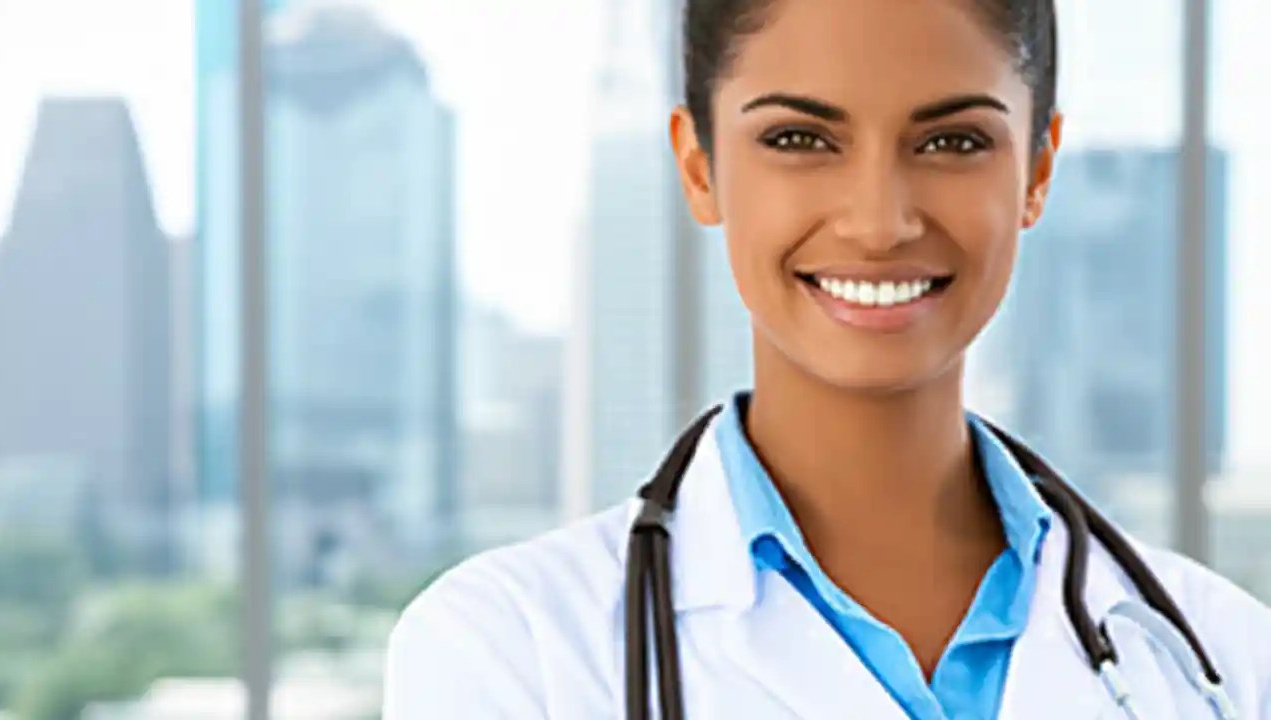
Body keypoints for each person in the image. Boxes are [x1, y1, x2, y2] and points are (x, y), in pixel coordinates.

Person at [384, 0, 1271, 717]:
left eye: (953, 142)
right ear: (699, 168)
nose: (878, 221)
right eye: (800, 140)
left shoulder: (1221, 656)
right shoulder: (511, 651)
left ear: (1037, 170)